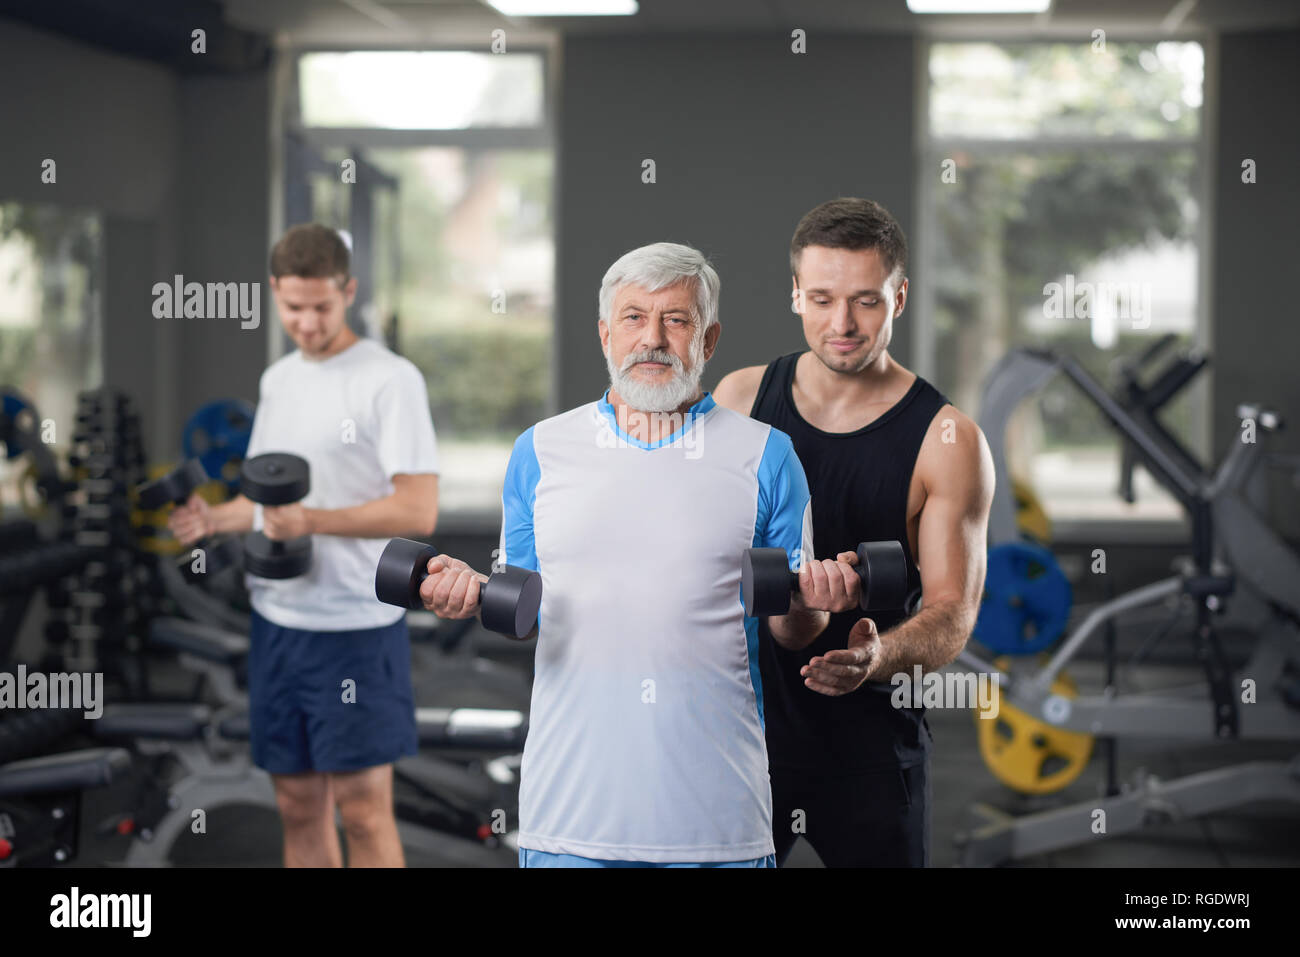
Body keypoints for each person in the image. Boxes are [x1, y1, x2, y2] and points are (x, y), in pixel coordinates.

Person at [420, 242, 862, 867]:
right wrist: (462, 594)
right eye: (633, 317)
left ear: (708, 340)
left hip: (716, 824)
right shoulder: (541, 451)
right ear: (605, 333)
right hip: (568, 823)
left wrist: (815, 601)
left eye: (675, 320)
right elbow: (522, 614)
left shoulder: (766, 455)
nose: (651, 339)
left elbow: (793, 627)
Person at [713, 197, 994, 867]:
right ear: (794, 294)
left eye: (866, 300)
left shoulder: (947, 439)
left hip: (871, 744)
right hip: (738, 735)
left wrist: (876, 657)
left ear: (899, 294)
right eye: (822, 298)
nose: (842, 323)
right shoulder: (740, 401)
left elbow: (952, 612)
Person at [168, 224, 439, 867]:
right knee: (294, 804)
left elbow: (418, 508)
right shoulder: (279, 380)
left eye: (322, 306)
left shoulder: (389, 380)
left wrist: (312, 521)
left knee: (364, 811)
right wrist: (213, 521)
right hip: (279, 625)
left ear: (347, 291)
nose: (308, 323)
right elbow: (269, 503)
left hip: (355, 626)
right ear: (273, 294)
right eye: (293, 307)